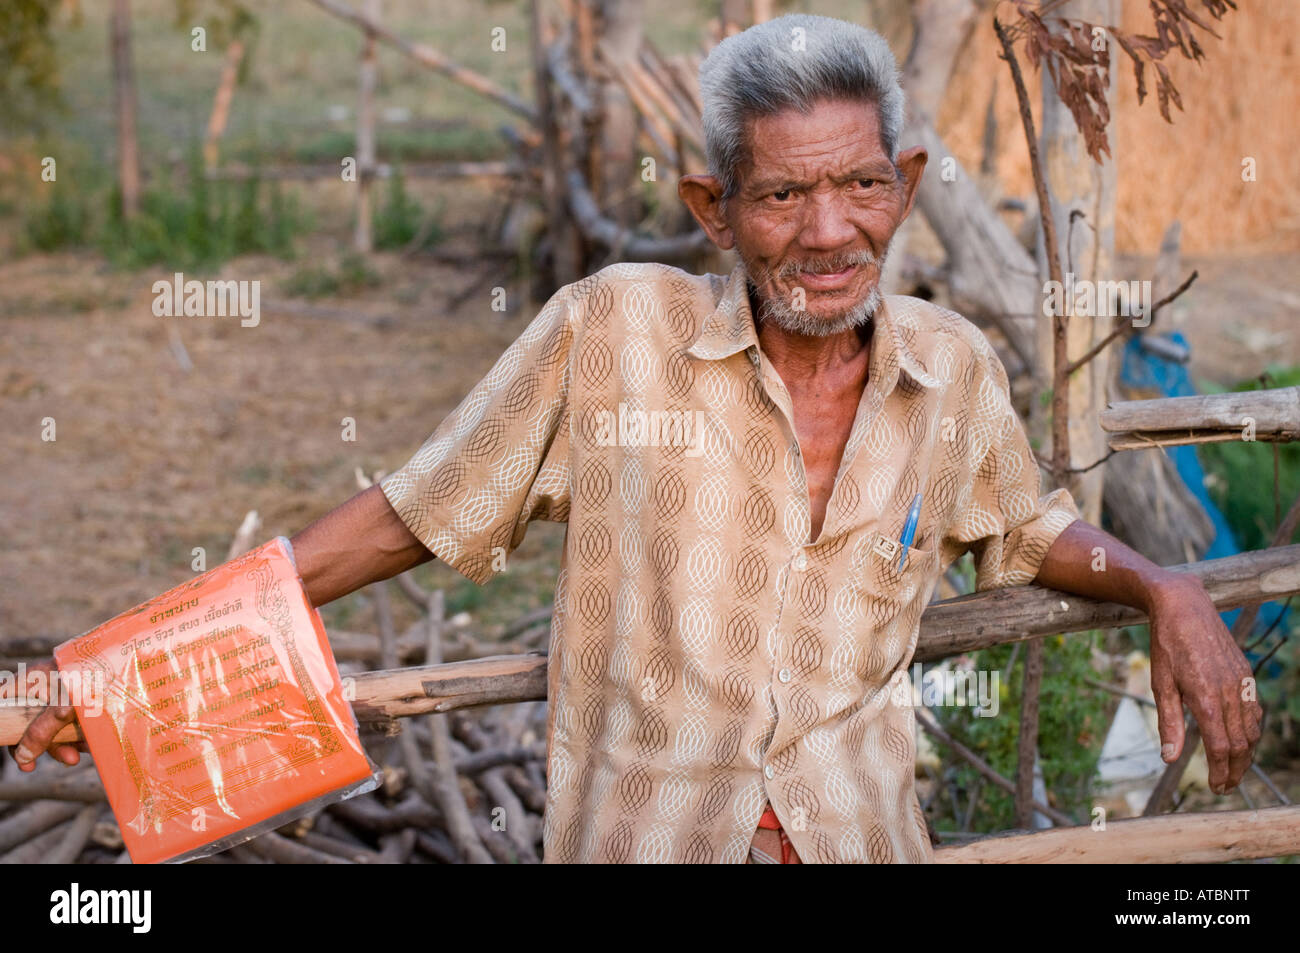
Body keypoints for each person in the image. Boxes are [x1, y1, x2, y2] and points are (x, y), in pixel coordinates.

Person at [11, 13, 1261, 864]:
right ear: (713, 209)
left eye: (862, 186)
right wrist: (127, 668)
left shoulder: (949, 370)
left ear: (908, 181)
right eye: (781, 195)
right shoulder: (611, 335)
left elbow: (1027, 521)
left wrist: (1163, 586)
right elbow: (410, 513)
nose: (830, 232)